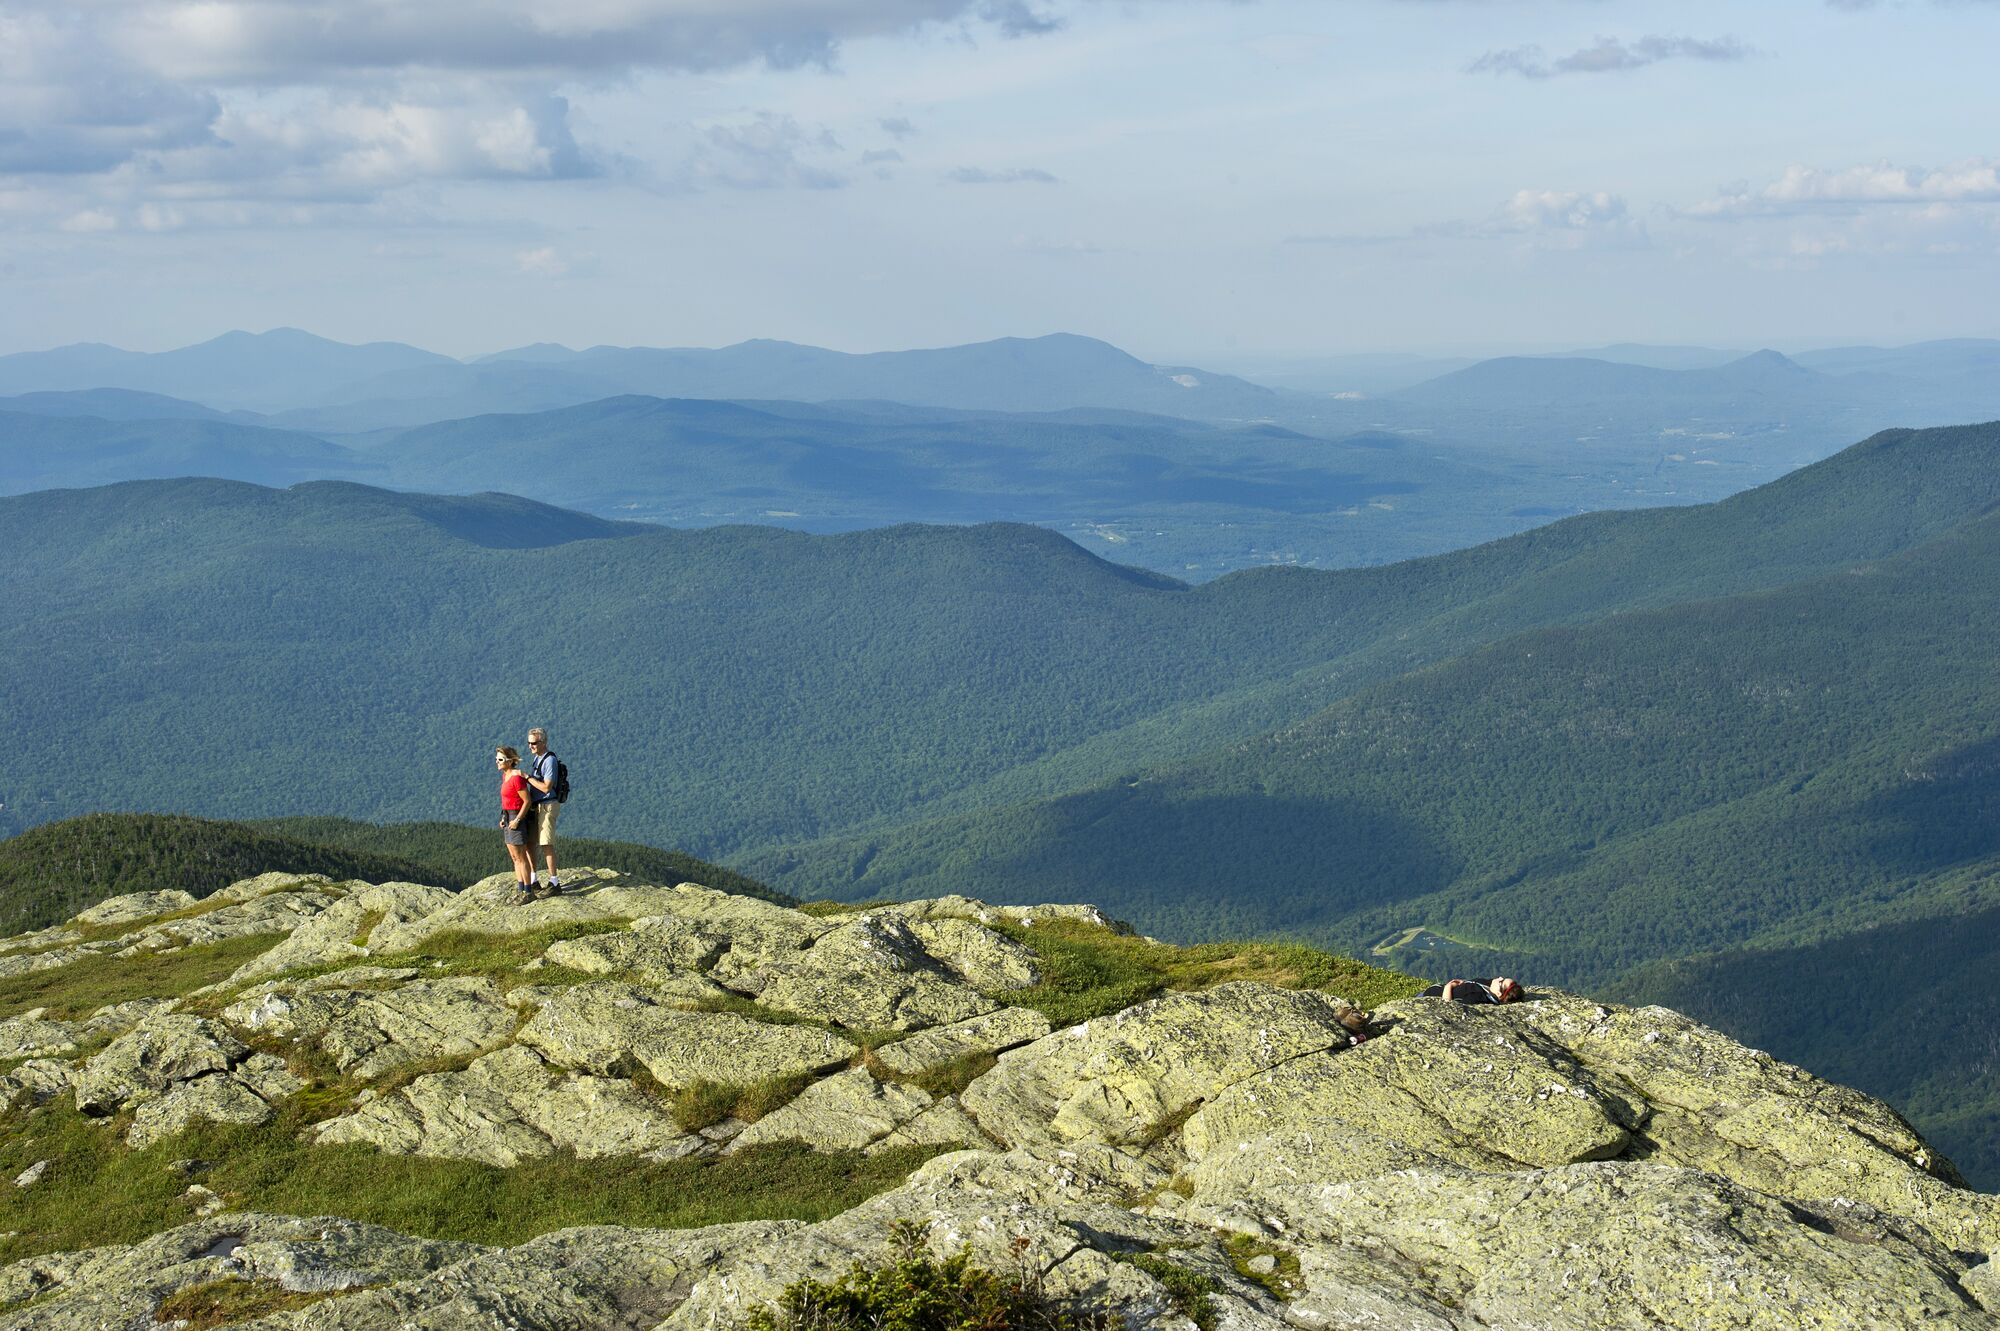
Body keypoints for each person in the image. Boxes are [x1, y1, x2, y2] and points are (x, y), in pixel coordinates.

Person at [522, 726, 561, 897]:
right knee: (531, 842)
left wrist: (527, 778)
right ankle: (534, 880)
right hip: (537, 806)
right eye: (529, 743)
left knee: (546, 843)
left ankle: (554, 882)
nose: (530, 746)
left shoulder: (549, 760)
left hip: (547, 805)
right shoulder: (538, 758)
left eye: (534, 743)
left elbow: (546, 787)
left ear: (543, 742)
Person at [495, 746, 534, 896]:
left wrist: (517, 819)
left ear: (510, 761)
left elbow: (527, 801)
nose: (497, 762)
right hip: (508, 817)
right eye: (496, 759)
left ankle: (528, 891)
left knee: (521, 857)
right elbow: (507, 799)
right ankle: (521, 888)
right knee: (514, 857)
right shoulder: (506, 776)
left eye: (500, 759)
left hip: (516, 817)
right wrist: (503, 817)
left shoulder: (517, 779)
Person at [1420, 976, 1523, 1005]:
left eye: (1502, 981)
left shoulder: (1477, 997)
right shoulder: (1489, 987)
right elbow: (1475, 983)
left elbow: (1448, 1006)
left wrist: (1448, 986)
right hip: (1431, 990)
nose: (1500, 978)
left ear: (1498, 993)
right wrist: (1465, 982)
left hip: (1427, 998)